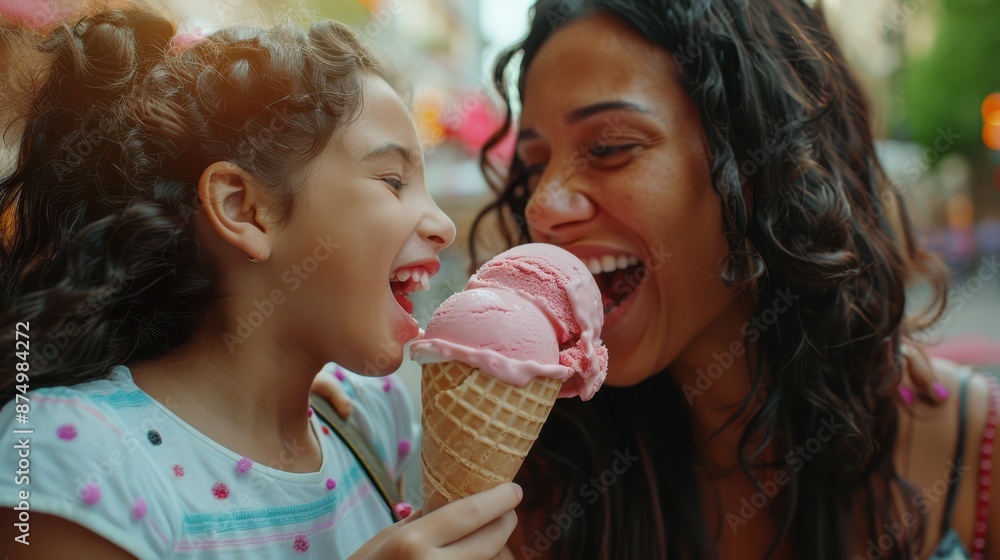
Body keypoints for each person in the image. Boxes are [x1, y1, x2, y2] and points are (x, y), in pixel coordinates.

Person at [468, 0, 1000, 558]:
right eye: (533, 168)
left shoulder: (975, 448)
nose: (542, 207)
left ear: (758, 161)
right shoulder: (529, 490)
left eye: (608, 148)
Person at [0, 5, 521, 558]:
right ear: (243, 208)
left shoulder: (366, 419)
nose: (441, 224)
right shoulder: (71, 461)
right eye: (393, 181)